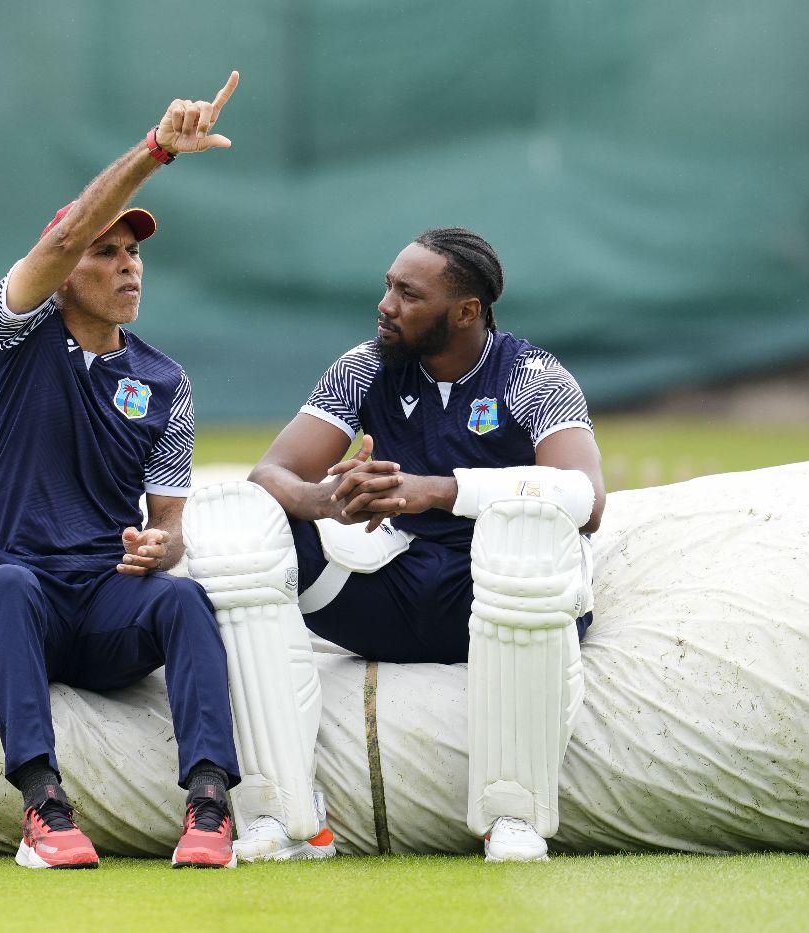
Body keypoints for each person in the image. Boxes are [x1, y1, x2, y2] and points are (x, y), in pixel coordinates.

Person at [184, 227, 605, 863]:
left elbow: (587, 499)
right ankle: (288, 812)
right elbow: (270, 475)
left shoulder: (530, 376)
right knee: (247, 524)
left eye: (408, 294)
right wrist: (333, 499)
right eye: (388, 286)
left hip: (501, 596)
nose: (386, 304)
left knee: (530, 531)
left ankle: (512, 812)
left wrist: (435, 491)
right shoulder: (366, 367)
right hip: (399, 592)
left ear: (465, 311)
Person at [0, 71, 244, 870]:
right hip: (17, 591)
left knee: (183, 601)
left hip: (104, 603)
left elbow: (171, 527)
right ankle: (43, 804)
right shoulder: (14, 336)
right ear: (70, 263)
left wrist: (161, 549)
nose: (128, 266)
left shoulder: (166, 382)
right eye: (106, 251)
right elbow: (60, 236)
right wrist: (156, 151)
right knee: (6, 585)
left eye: (135, 252)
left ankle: (211, 803)